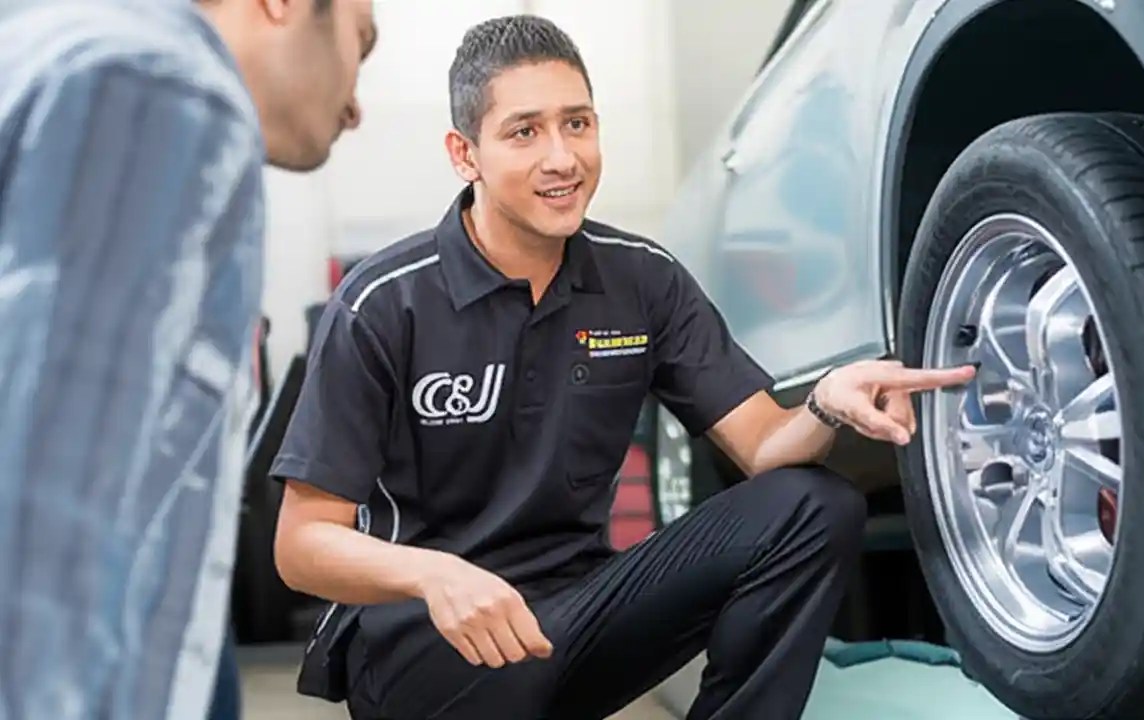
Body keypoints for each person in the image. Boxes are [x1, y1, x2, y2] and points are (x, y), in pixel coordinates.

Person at [271, 14, 975, 720]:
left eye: (577, 124)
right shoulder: (385, 304)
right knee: (495, 667)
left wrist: (823, 400)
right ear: (465, 154)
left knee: (812, 505)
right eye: (525, 132)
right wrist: (434, 576)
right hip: (424, 640)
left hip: (577, 613)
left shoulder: (642, 280)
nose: (562, 158)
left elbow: (765, 446)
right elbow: (302, 545)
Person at [0, 0, 376, 718]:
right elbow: (42, 558)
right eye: (362, 43)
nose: (356, 105)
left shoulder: (55, 51)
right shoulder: (162, 94)